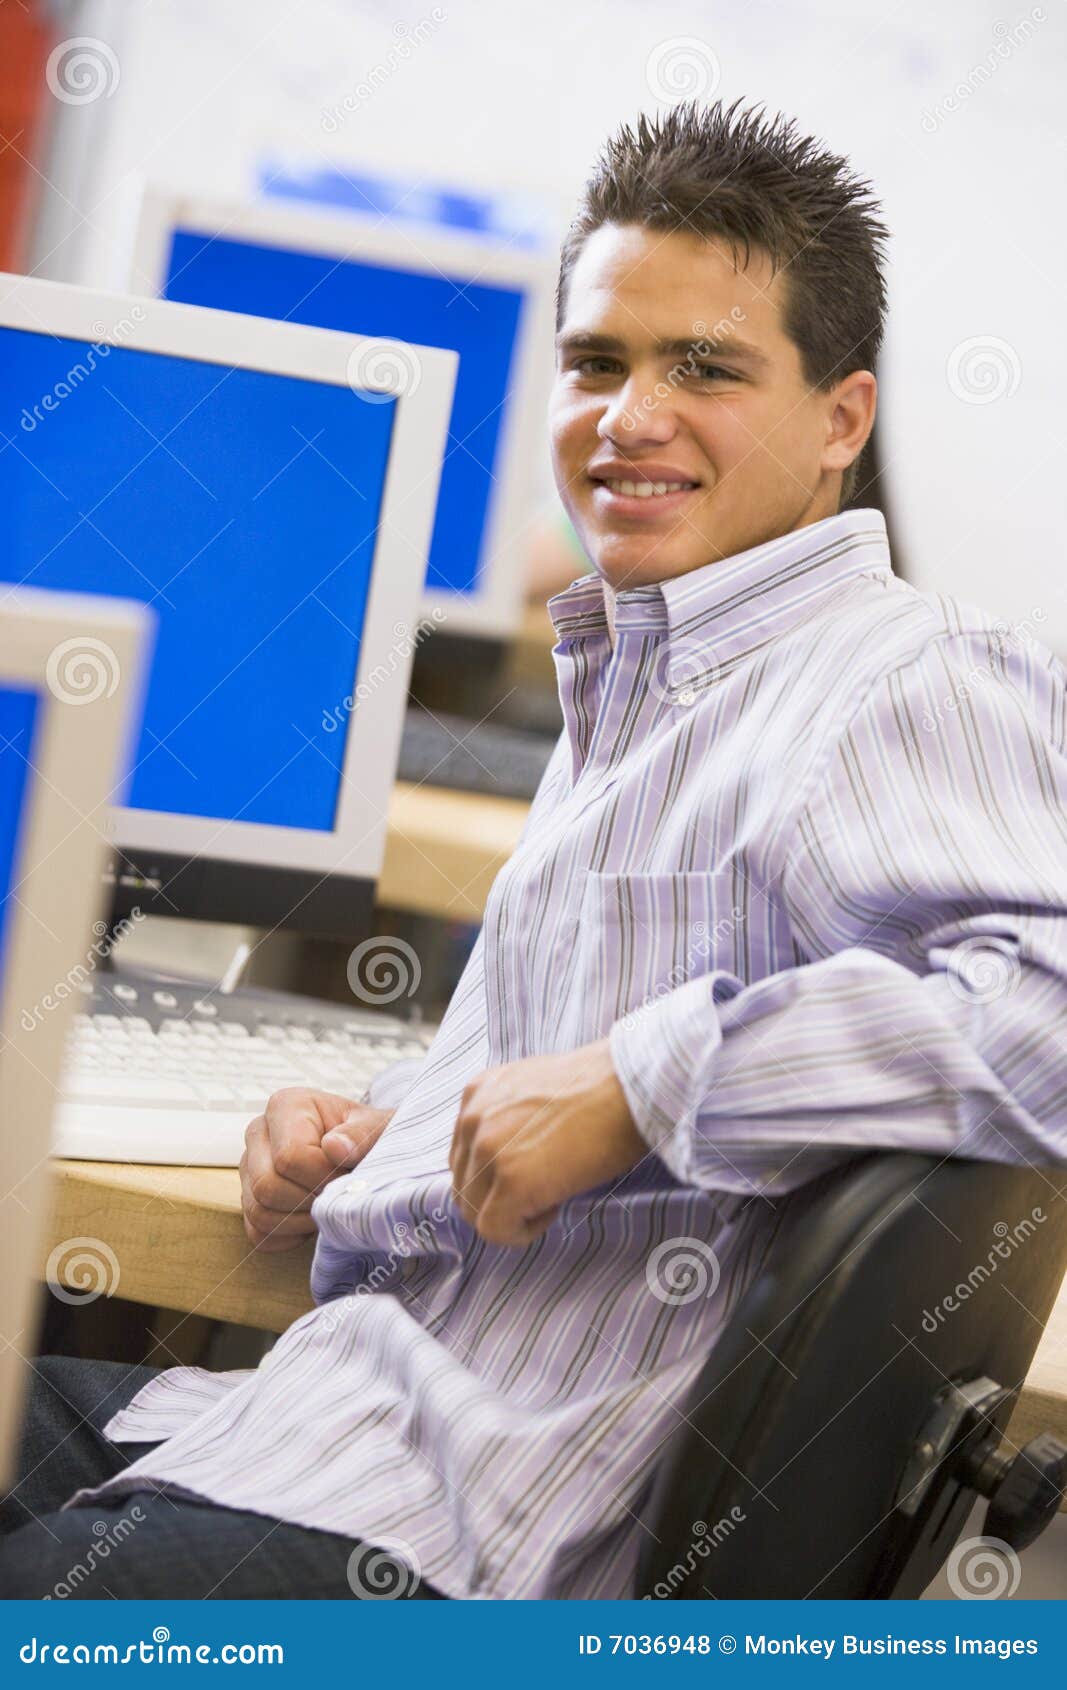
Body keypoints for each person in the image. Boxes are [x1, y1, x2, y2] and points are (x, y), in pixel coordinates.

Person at [3, 98, 1065, 1601]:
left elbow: (1048, 1014)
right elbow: (588, 1043)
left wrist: (645, 1083)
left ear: (841, 419)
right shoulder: (655, 661)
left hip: (457, 1526)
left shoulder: (901, 675)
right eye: (598, 362)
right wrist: (384, 1123)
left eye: (705, 366)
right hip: (317, 1415)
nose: (631, 415)